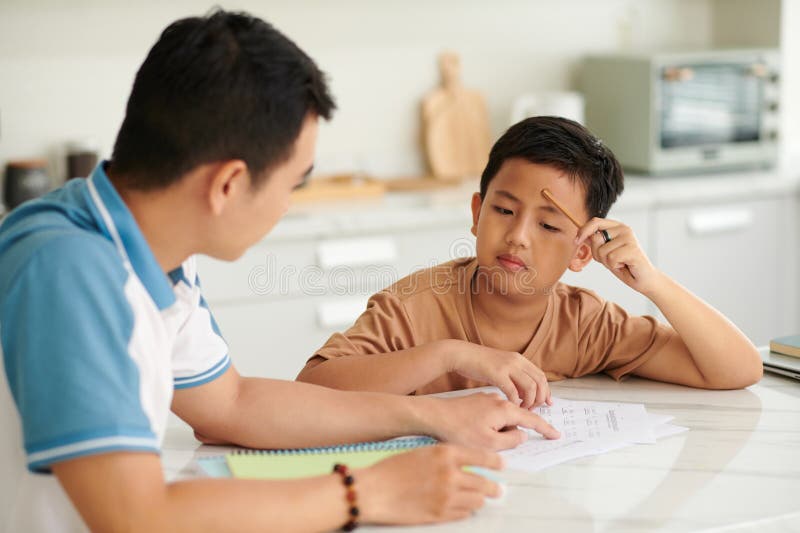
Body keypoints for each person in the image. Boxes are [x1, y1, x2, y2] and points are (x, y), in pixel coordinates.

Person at [0, 11, 560, 533]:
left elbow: (231, 405)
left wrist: (429, 417)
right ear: (227, 185)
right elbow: (137, 517)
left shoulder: (146, 246)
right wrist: (367, 493)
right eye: (293, 183)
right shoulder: (70, 270)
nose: (289, 204)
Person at [297, 116, 764, 407]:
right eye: (503, 211)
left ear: (582, 250)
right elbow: (313, 387)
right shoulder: (415, 307)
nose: (517, 237)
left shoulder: (585, 324)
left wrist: (654, 284)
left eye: (548, 225)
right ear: (477, 214)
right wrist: (452, 354)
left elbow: (738, 370)